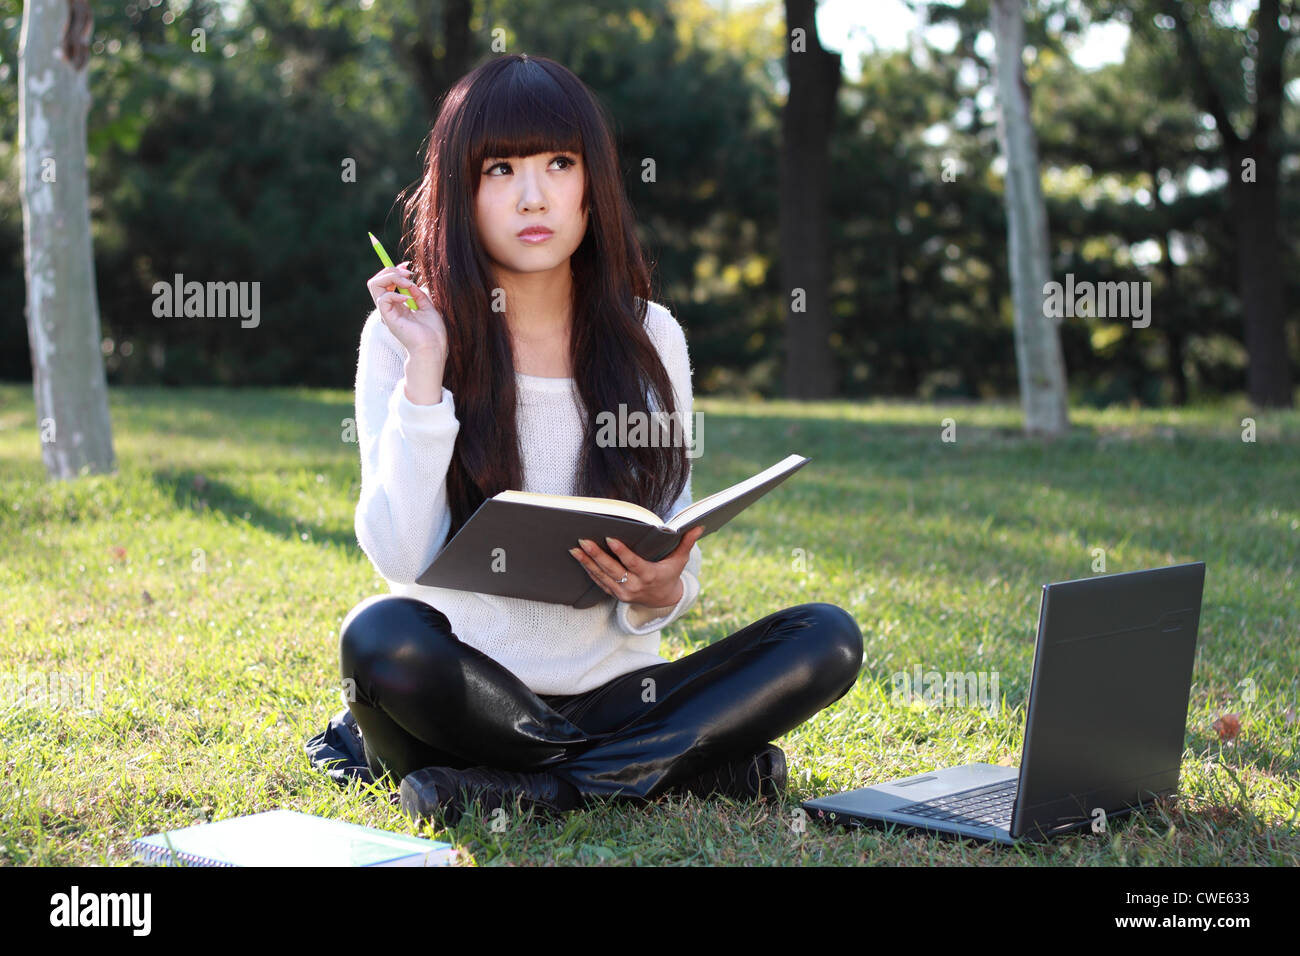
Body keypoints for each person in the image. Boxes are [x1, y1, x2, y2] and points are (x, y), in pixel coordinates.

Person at [339, 53, 863, 827]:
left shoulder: (651, 336)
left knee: (826, 636)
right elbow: (400, 554)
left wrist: (663, 591)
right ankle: (666, 766)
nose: (533, 195)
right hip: (465, 697)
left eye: (559, 162)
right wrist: (427, 367)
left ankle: (543, 790)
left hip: (616, 695)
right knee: (378, 636)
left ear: (593, 185)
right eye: (500, 169)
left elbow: (668, 528)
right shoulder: (408, 335)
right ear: (460, 190)